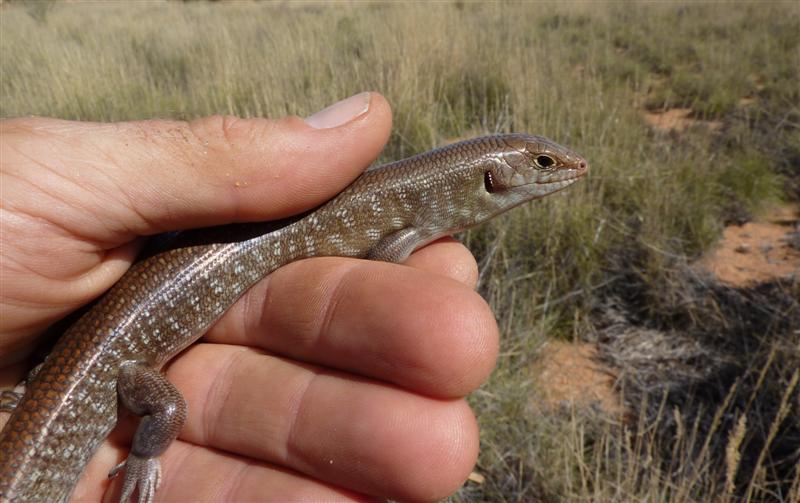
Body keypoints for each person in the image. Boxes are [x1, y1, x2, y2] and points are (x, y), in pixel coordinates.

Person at [0, 92, 499, 501]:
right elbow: (388, 260)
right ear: (492, 178)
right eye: (543, 164)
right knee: (169, 410)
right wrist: (145, 455)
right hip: (118, 371)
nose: (565, 168)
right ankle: (144, 455)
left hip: (87, 359)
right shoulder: (409, 223)